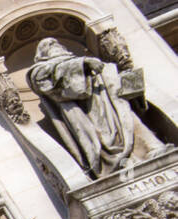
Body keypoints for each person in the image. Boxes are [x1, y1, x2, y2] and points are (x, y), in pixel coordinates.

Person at [27, 37, 161, 178]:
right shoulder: (39, 70)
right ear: (42, 53)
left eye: (56, 42)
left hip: (109, 101)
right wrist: (83, 63)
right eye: (49, 44)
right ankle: (121, 163)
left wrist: (129, 82)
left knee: (128, 118)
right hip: (85, 113)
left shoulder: (86, 62)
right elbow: (46, 83)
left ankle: (152, 147)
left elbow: (111, 77)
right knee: (102, 138)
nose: (55, 45)